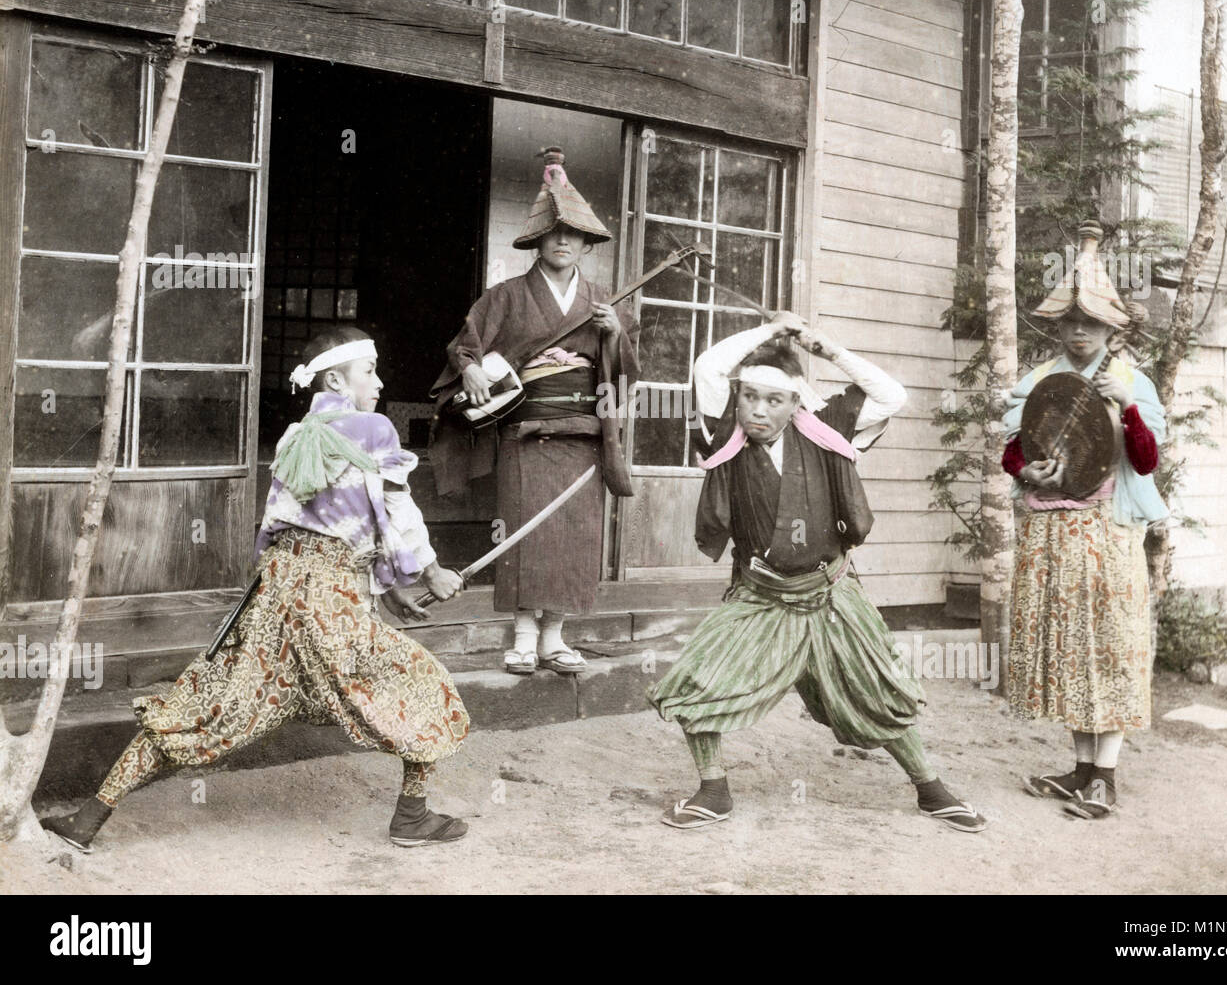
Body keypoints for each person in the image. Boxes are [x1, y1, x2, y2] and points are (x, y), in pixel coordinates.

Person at [41, 326, 471, 852]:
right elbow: (396, 511)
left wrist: (382, 589)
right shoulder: (374, 428)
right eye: (370, 371)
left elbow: (283, 529)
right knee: (423, 684)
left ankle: (88, 818)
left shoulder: (294, 437)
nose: (379, 383)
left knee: (212, 705)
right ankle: (411, 819)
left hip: (276, 593)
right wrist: (429, 572)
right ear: (336, 378)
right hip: (330, 602)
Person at [646, 312, 986, 832]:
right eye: (750, 397)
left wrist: (825, 347)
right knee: (697, 683)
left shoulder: (828, 430)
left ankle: (929, 787)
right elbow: (708, 367)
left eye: (773, 400)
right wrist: (769, 330)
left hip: (831, 594)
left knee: (879, 692)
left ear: (796, 403)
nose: (758, 410)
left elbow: (892, 395)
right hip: (760, 596)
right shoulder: (724, 437)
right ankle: (713, 789)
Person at [430, 147, 638, 676]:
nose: (563, 241)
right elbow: (465, 347)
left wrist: (613, 335)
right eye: (554, 233)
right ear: (538, 241)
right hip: (526, 432)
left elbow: (624, 372)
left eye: (573, 234)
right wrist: (472, 368)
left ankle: (556, 636)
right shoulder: (505, 296)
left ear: (587, 243)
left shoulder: (601, 302)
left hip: (583, 437)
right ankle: (522, 637)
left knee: (573, 535)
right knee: (524, 529)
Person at [1002, 223, 1167, 820]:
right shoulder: (1041, 382)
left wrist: (1123, 406)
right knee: (1071, 647)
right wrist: (1028, 473)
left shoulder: (1132, 383)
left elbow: (1145, 461)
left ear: (1109, 329)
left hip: (1107, 531)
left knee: (1111, 644)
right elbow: (1014, 449)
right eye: (1069, 322)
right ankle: (1078, 770)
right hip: (1052, 528)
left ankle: (1107, 776)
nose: (1078, 333)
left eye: (1090, 324)